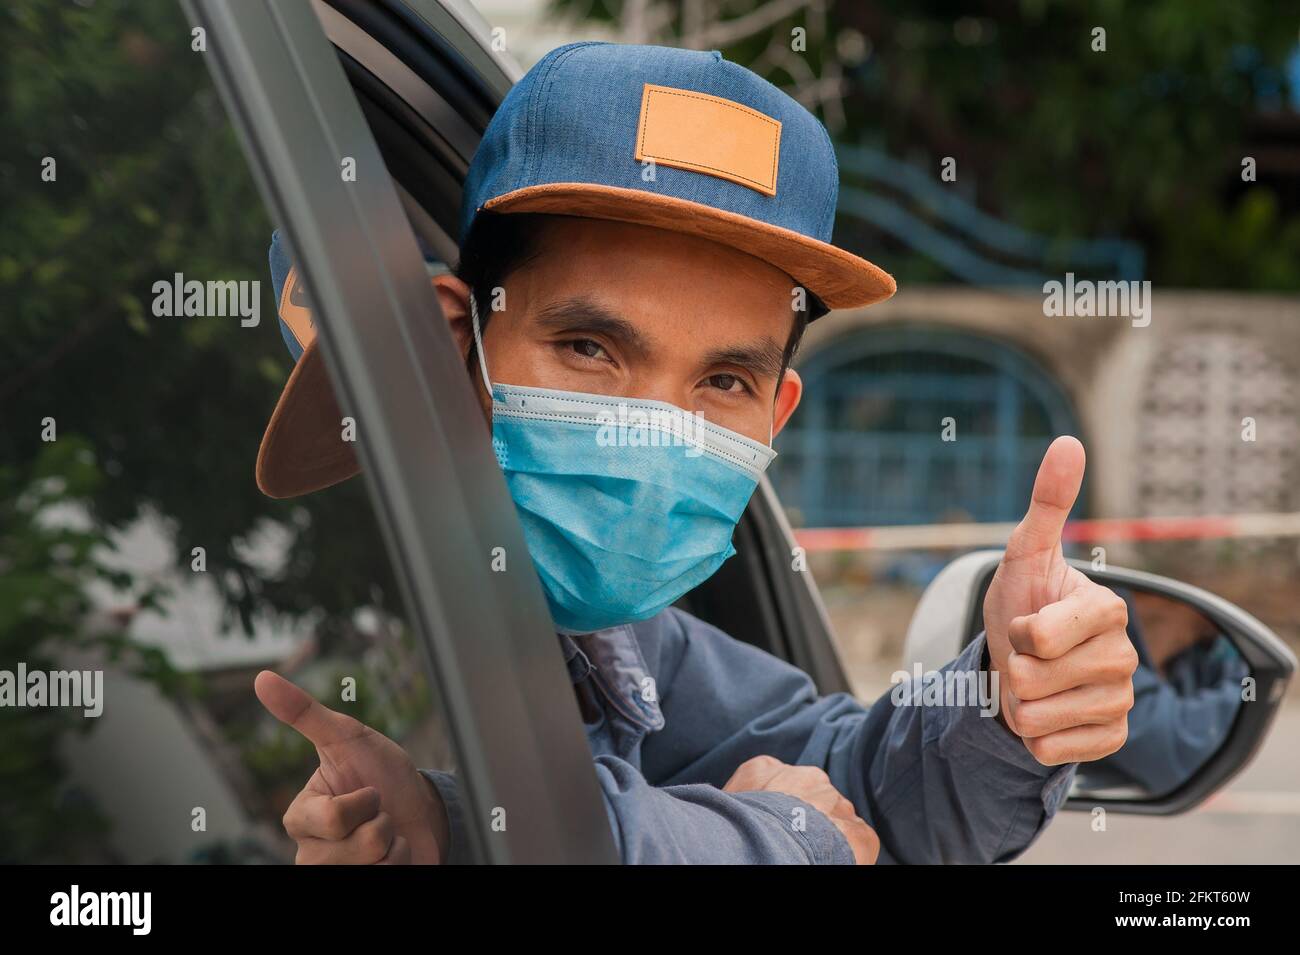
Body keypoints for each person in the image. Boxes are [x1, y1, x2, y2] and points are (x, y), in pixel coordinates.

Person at [251, 42, 1137, 864]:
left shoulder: (618, 641)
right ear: (459, 344)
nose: (654, 429)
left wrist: (1007, 698)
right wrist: (782, 839)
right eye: (590, 350)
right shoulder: (343, 618)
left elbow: (855, 778)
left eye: (723, 382)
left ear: (776, 412)